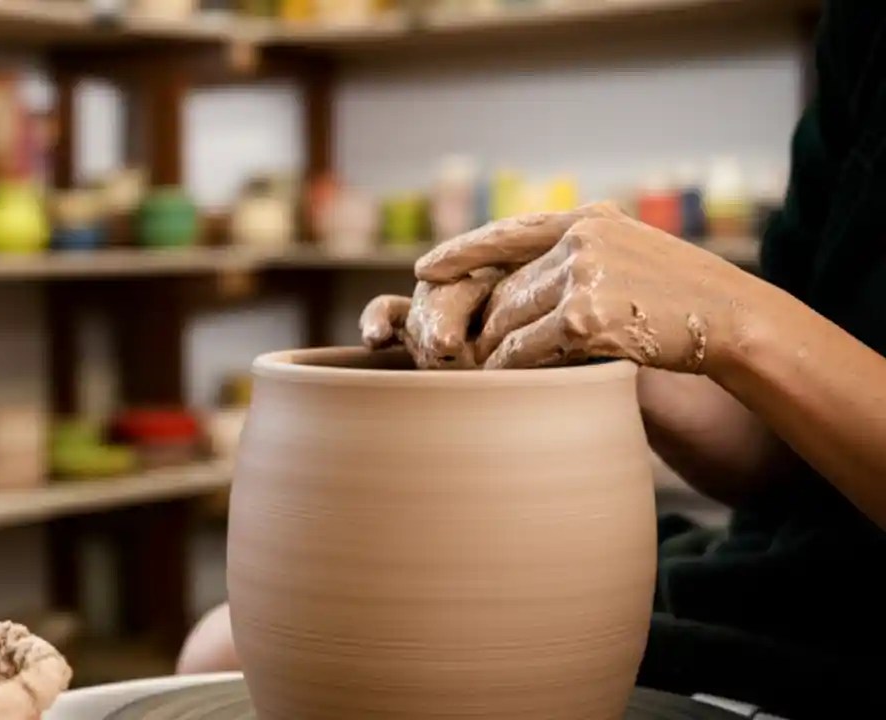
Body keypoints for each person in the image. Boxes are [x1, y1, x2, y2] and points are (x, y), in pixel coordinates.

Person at [178, 3, 886, 716]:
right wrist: (598, 332)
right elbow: (777, 457)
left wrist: (734, 319)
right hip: (790, 568)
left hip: (860, 634)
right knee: (221, 646)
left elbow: (765, 346)